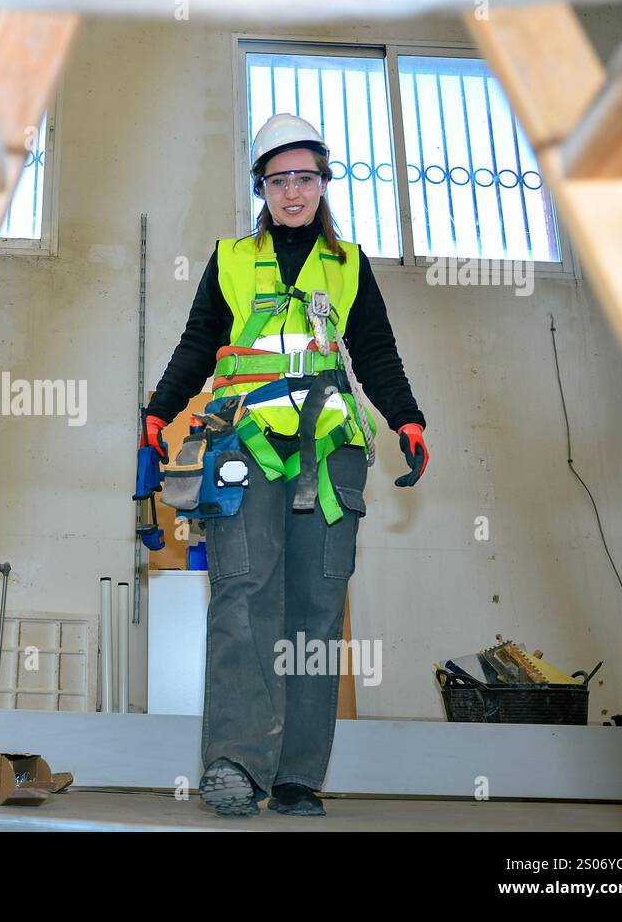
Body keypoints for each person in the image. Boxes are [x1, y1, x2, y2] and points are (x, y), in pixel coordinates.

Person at [142, 113, 429, 817]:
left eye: (305, 177)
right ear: (261, 187)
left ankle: (299, 774)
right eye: (279, 180)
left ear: (324, 183)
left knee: (318, 607)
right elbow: (198, 340)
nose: (293, 192)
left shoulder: (351, 263)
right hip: (246, 445)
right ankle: (236, 764)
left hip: (330, 452)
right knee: (243, 593)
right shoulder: (233, 258)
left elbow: (377, 351)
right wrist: (158, 408)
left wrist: (407, 417)